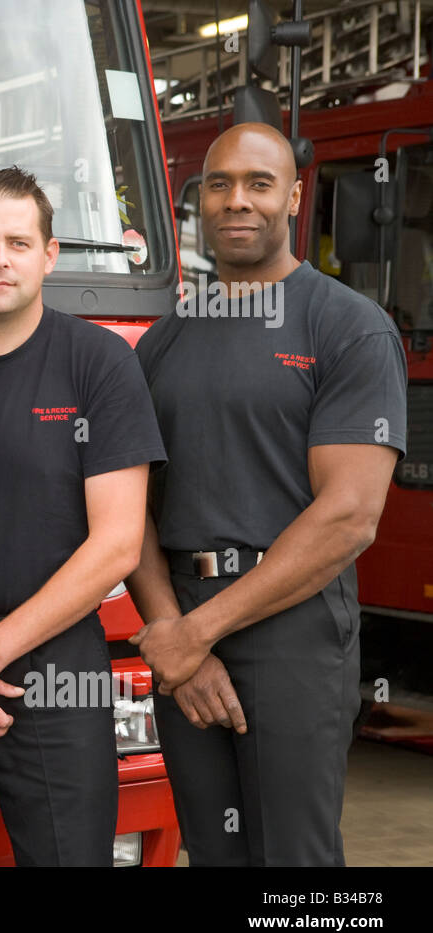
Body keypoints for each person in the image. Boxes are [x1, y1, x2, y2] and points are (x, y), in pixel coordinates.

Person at [127, 122, 407, 866]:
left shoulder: (348, 329)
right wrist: (173, 632)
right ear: (199, 203)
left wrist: (196, 634)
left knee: (293, 859)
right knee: (215, 854)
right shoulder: (164, 342)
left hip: (292, 630)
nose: (236, 201)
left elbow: (349, 516)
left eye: (258, 184)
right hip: (183, 618)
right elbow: (132, 515)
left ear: (293, 195)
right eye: (219, 185)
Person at [0, 167, 166, 866]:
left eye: (18, 242)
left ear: (49, 255)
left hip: (54, 673)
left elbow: (116, 545)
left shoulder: (99, 365)